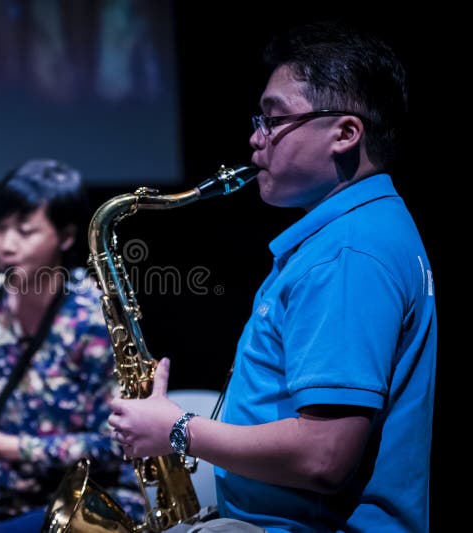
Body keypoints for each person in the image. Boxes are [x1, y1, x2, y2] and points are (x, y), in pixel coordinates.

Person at [107, 21, 436, 532]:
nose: (255, 138)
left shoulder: (347, 254)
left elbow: (323, 456)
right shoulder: (358, 231)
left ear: (345, 133)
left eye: (273, 119)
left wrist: (176, 431)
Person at [0, 159, 142, 532]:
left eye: (25, 232)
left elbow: (118, 445)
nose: (7, 246)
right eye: (0, 228)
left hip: (76, 507)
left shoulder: (96, 316)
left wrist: (3, 446)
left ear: (66, 236)